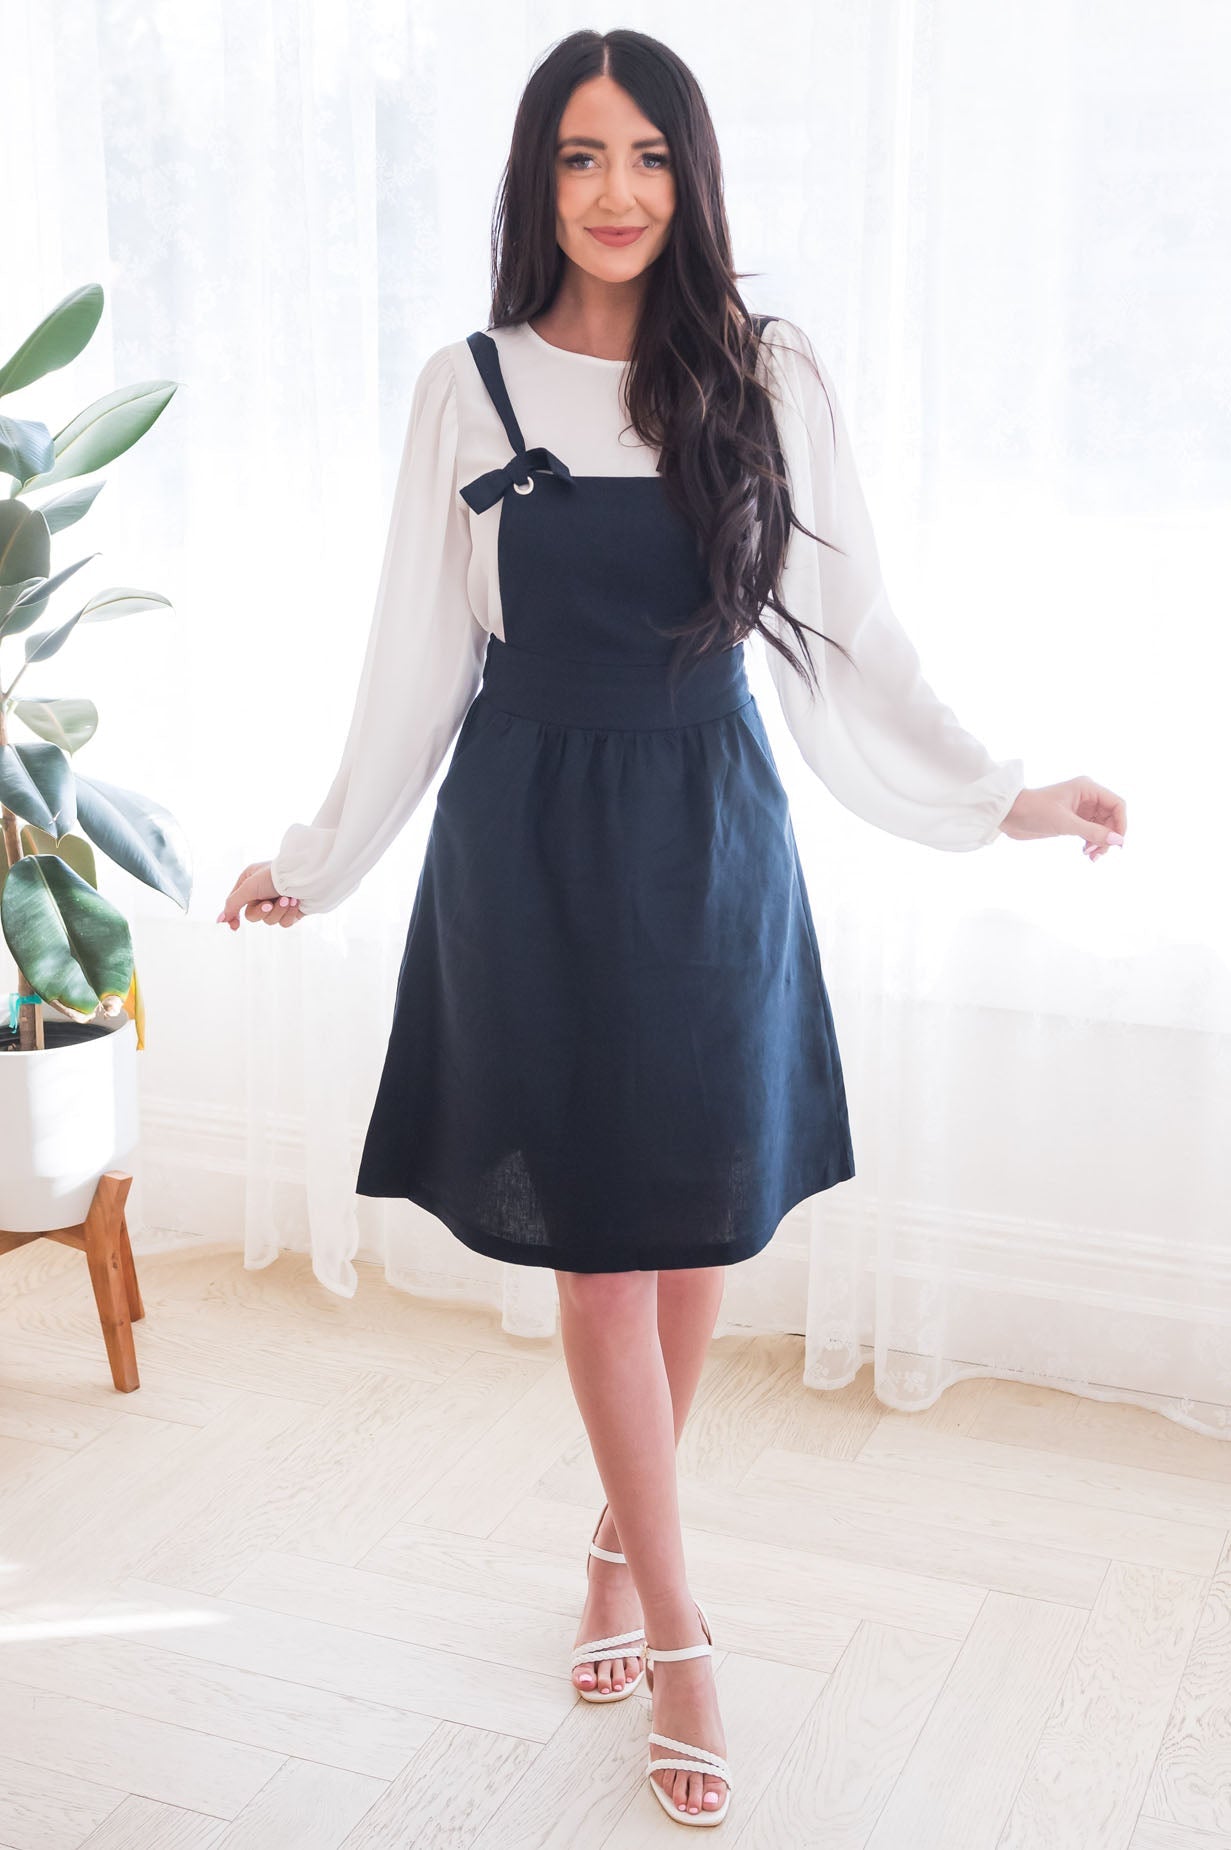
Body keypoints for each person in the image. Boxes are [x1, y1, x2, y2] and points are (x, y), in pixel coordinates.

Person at [219, 28, 1126, 1828]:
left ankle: (619, 1550)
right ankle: (684, 1628)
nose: (615, 192)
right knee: (603, 1252)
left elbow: (858, 635)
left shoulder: (766, 374)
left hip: (710, 829)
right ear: (535, 181)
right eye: (580, 156)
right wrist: (318, 856)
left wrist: (1002, 795)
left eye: (645, 155)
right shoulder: (469, 386)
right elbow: (415, 656)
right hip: (527, 846)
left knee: (699, 1214)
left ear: (690, 176)